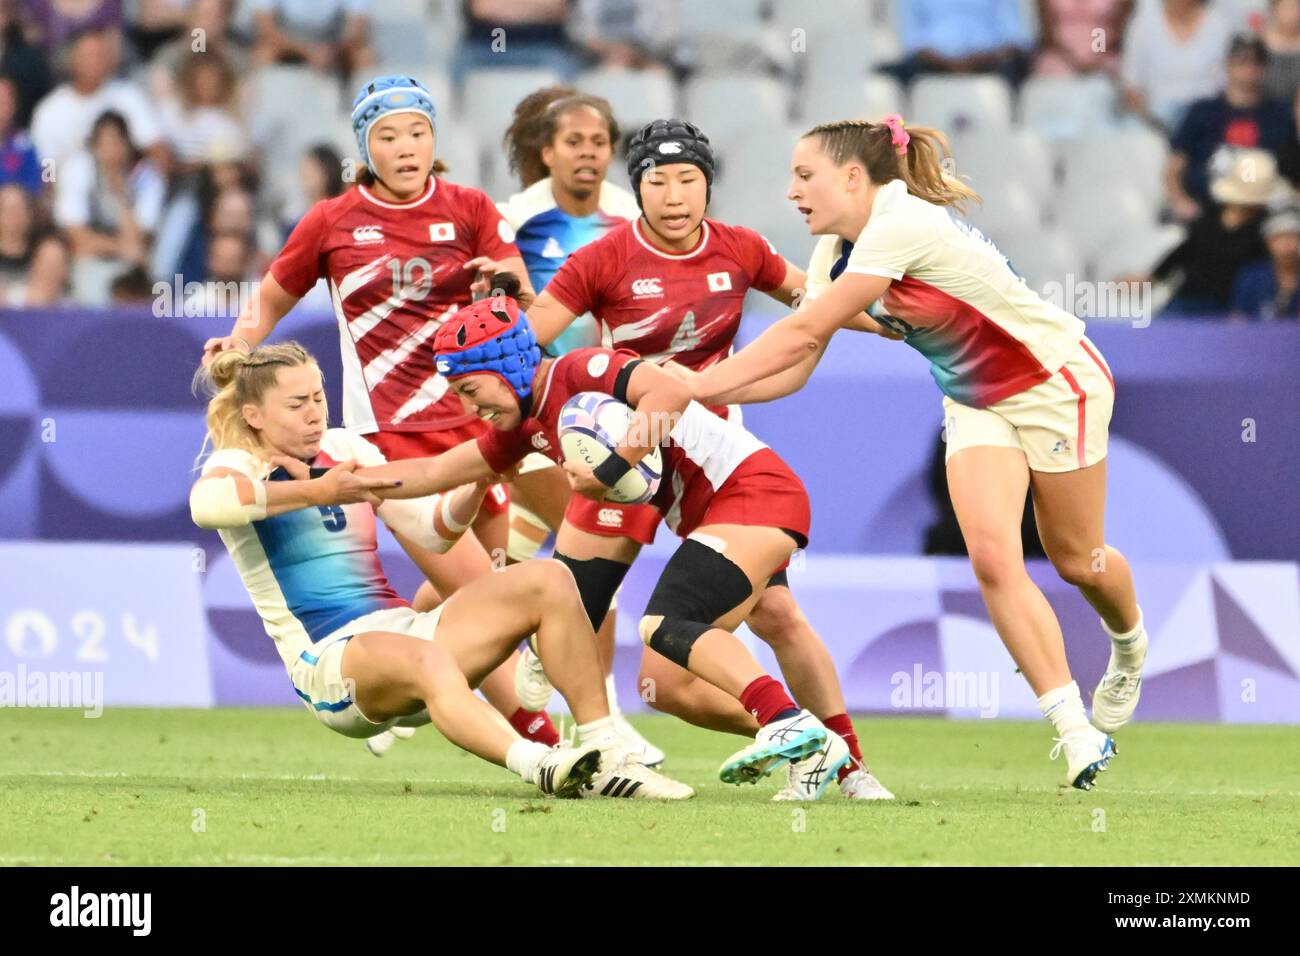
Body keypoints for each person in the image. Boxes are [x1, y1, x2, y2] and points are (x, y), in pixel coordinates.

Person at [690, 115, 1149, 791]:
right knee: (994, 558)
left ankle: (1129, 644)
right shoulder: (833, 254)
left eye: (804, 174)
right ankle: (1076, 732)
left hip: (1058, 382)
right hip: (974, 400)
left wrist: (694, 383)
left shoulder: (903, 223)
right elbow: (799, 364)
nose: (791, 191)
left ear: (853, 176)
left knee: (1078, 560)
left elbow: (802, 329)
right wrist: (698, 399)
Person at [353, 293, 885, 801]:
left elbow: (672, 394)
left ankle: (783, 722)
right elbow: (431, 471)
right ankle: (837, 757)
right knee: (669, 684)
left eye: (471, 390)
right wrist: (342, 477)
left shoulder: (581, 370)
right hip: (712, 513)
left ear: (508, 366)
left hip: (752, 490)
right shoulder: (525, 426)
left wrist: (607, 469)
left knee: (668, 623)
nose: (470, 408)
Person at [516, 118, 898, 800]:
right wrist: (485, 347)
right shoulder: (602, 259)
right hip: (631, 457)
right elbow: (529, 340)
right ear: (635, 190)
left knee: (770, 620)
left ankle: (845, 763)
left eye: (687, 180)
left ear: (707, 186)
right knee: (590, 619)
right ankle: (590, 729)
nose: (673, 195)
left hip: (711, 461)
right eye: (656, 182)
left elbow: (822, 305)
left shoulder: (742, 250)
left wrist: (905, 320)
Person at [198, 75, 558, 747]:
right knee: (485, 592)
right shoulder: (332, 220)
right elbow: (273, 295)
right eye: (387, 135)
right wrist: (239, 340)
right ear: (366, 147)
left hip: (474, 425)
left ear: (434, 139)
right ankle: (545, 742)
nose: (405, 146)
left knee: (486, 580)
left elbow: (523, 297)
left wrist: (500, 287)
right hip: (388, 438)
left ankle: (398, 690)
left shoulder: (472, 207)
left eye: (418, 132)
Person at [189, 341, 692, 799]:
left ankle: (607, 755)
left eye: (319, 398)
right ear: (253, 415)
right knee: (425, 658)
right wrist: (317, 491)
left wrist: (477, 484)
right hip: (329, 665)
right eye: (297, 405)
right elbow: (208, 506)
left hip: (407, 632)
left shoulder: (345, 450)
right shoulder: (237, 463)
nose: (315, 414)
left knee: (551, 579)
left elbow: (433, 532)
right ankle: (542, 764)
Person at [495, 86, 661, 762]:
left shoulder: (630, 218)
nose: (589, 154)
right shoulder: (513, 221)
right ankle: (605, 720)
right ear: (546, 152)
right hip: (536, 410)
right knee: (597, 546)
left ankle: (403, 668)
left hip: (598, 410)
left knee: (492, 561)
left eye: (599, 143)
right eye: (574, 142)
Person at [1165, 33, 1300, 221]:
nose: (1249, 69)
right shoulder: (1203, 112)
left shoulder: (1280, 113)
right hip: (1208, 208)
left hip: (1266, 209)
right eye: (1242, 61)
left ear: (1265, 67)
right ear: (1228, 64)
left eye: (1256, 62)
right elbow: (1174, 167)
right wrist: (1179, 200)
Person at [1120, 0, 1234, 133]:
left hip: (1205, 118)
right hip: (1156, 120)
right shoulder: (1143, 25)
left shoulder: (1219, 24)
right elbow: (1131, 86)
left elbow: (1230, 82)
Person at [1229, 199, 1300, 319]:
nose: (1288, 245)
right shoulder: (1252, 276)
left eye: (1294, 238)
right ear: (1268, 243)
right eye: (1280, 239)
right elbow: (1237, 317)